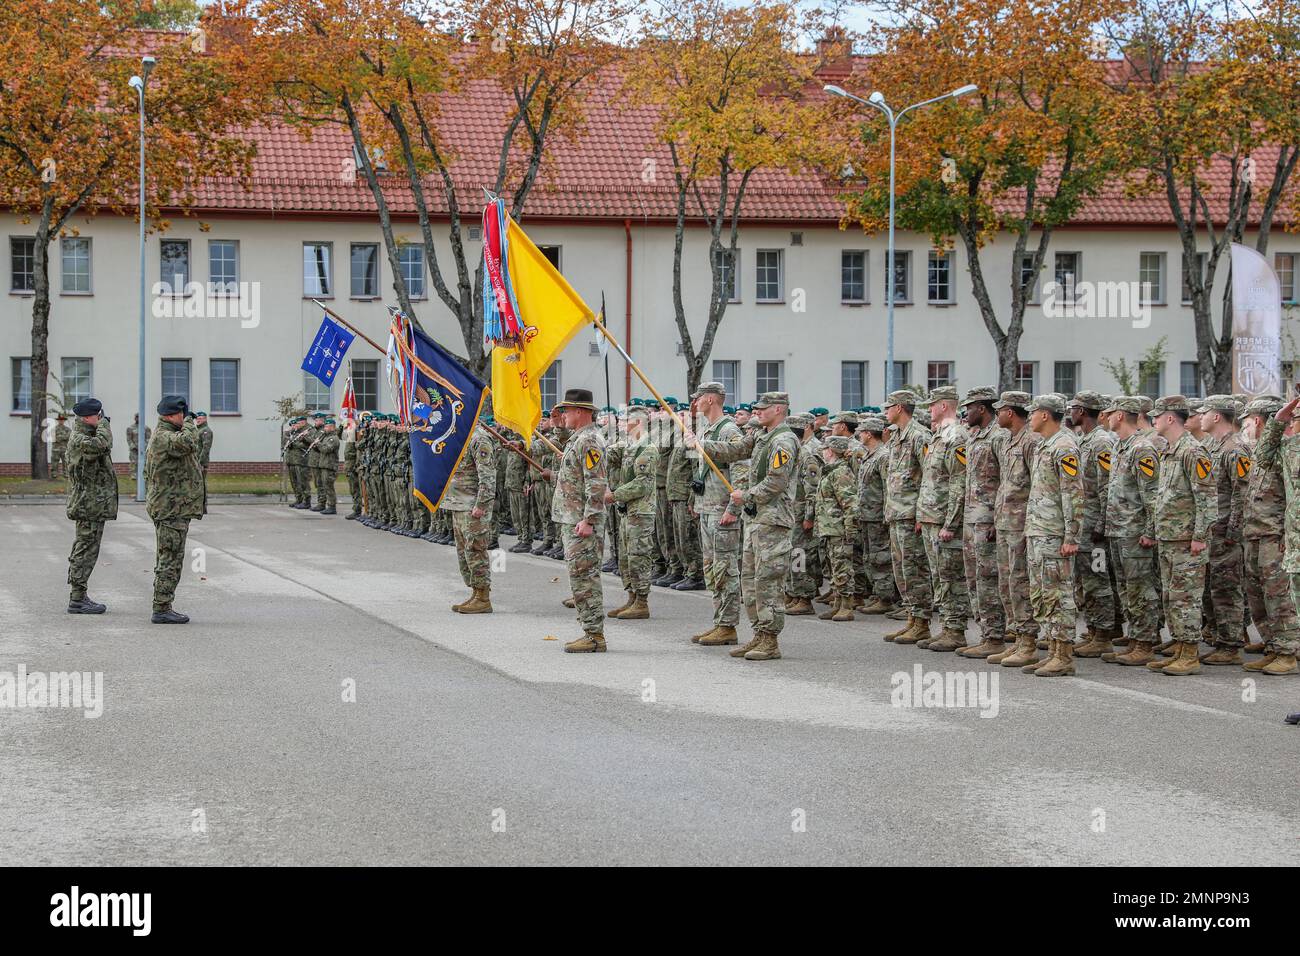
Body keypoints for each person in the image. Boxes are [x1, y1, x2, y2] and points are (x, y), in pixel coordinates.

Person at [694, 391, 801, 661]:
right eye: (756, 409)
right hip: (756, 519)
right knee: (750, 581)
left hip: (773, 520)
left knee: (768, 581)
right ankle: (759, 633)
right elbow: (737, 449)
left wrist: (746, 496)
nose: (757, 413)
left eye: (762, 409)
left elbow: (777, 482)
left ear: (779, 409)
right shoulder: (762, 436)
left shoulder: (784, 440)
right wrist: (704, 445)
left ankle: (771, 639)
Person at [1145, 395, 1216, 676]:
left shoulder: (1192, 451)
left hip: (1187, 540)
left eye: (1157, 416)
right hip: (1169, 537)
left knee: (1186, 598)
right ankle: (1178, 646)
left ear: (1170, 418)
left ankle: (1190, 653)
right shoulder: (1169, 450)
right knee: (1170, 597)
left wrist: (1200, 536)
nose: (1153, 421)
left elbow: (1207, 499)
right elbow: (1163, 498)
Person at [544, 389, 609, 652]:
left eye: (567, 411)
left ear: (581, 412)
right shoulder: (579, 438)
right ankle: (589, 630)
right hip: (572, 518)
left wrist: (590, 519)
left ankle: (594, 635)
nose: (564, 415)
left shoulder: (590, 440)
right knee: (578, 575)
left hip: (582, 521)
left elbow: (596, 482)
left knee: (585, 576)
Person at [687, 383, 744, 646]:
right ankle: (719, 621)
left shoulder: (729, 429)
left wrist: (734, 509)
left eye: (698, 398)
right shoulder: (708, 429)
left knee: (726, 568)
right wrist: (695, 500)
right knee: (711, 569)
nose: (695, 402)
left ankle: (728, 625)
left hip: (722, 509)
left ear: (710, 399)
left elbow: (741, 464)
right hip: (707, 507)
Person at [914, 386, 970, 651]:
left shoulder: (956, 437)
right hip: (930, 517)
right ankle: (947, 625)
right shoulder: (939, 436)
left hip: (943, 520)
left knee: (950, 576)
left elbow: (959, 482)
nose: (929, 410)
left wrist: (951, 523)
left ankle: (955, 629)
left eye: (932, 405)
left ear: (944, 406)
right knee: (939, 575)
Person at [956, 387, 1008, 658]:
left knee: (988, 579)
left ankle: (996, 636)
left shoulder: (998, 437)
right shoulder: (974, 437)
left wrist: (996, 521)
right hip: (972, 518)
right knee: (974, 579)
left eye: (970, 407)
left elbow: (1007, 481)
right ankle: (985, 633)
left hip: (987, 520)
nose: (966, 412)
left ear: (983, 408)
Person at [145, 395, 204, 624]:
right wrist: (191, 421)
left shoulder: (166, 434)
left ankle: (163, 605)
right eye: (182, 414)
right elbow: (189, 442)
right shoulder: (164, 436)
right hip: (170, 508)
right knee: (170, 558)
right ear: (172, 415)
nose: (185, 417)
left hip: (172, 506)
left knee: (169, 556)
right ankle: (161, 608)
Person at [882, 389, 933, 644]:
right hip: (896, 513)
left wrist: (921, 514)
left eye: (888, 407)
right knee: (901, 569)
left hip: (911, 513)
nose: (886, 412)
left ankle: (922, 621)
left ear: (900, 407)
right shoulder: (896, 437)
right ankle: (912, 617)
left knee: (915, 569)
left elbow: (928, 477)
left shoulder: (919, 436)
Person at [64, 398, 117, 614]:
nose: (100, 418)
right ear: (88, 417)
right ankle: (77, 598)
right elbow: (103, 444)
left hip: (92, 503)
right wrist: (104, 425)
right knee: (85, 549)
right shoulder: (81, 439)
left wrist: (101, 425)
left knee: (87, 548)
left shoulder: (86, 435)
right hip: (88, 504)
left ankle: (79, 596)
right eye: (98, 415)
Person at [607, 405, 657, 620]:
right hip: (628, 510)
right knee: (626, 556)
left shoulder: (647, 448)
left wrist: (615, 494)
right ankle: (631, 596)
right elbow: (608, 454)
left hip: (641, 511)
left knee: (639, 555)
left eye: (625, 420)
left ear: (637, 423)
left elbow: (642, 484)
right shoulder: (630, 445)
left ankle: (642, 601)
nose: (621, 424)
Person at [444, 420, 499, 613]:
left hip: (472, 505)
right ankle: (475, 593)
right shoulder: (462, 436)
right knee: (464, 551)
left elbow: (488, 476)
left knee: (475, 549)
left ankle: (483, 598)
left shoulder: (479, 438)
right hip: (459, 503)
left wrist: (482, 504)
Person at [815, 436, 859, 622]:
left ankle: (847, 606)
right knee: (835, 568)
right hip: (830, 528)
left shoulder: (841, 472)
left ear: (831, 451)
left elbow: (850, 504)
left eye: (825, 449)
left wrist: (850, 530)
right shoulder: (830, 471)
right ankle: (838, 604)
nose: (822, 452)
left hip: (839, 528)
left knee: (843, 568)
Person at [316, 418, 340, 515]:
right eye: (325, 426)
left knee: (329, 487)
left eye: (326, 426)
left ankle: (332, 506)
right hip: (324, 465)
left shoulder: (333, 438)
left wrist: (318, 443)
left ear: (332, 427)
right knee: (325, 486)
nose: (325, 428)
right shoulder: (325, 437)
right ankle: (326, 505)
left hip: (329, 466)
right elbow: (321, 450)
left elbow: (326, 449)